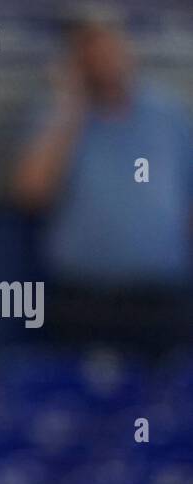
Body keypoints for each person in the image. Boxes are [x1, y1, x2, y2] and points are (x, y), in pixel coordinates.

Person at [11, 13, 192, 350]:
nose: (102, 56)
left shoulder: (169, 117)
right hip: (82, 299)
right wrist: (70, 107)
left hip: (163, 299)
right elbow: (31, 192)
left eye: (107, 43)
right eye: (88, 47)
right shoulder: (56, 117)